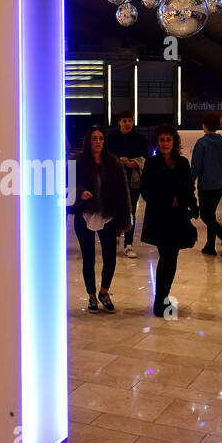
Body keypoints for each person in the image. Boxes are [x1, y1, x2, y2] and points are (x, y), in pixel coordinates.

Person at [140, 123, 198, 318]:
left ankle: (162, 299)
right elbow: (146, 191)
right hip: (159, 218)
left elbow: (189, 188)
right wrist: (168, 200)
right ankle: (161, 301)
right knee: (167, 257)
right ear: (157, 141)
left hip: (177, 218)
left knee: (170, 259)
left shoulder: (182, 163)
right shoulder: (152, 163)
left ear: (174, 142)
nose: (165, 143)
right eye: (162, 139)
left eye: (168, 139)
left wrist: (187, 203)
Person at [72, 124, 131, 313]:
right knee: (88, 258)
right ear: (88, 141)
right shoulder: (78, 162)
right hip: (85, 214)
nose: (97, 142)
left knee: (110, 257)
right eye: (94, 138)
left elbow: (123, 192)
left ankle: (104, 291)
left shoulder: (113, 163)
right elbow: (70, 185)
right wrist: (81, 193)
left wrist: (123, 220)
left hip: (108, 215)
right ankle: (91, 296)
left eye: (100, 138)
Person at [192, 112, 222, 258]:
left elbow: (196, 166)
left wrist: (189, 181)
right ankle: (210, 245)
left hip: (206, 185)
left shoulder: (201, 143)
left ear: (204, 125)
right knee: (210, 215)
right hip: (220, 184)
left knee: (205, 215)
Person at [105, 111, 147, 258]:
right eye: (125, 120)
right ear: (119, 122)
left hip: (133, 181)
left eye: (130, 120)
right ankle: (115, 237)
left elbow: (145, 157)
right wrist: (118, 160)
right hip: (115, 180)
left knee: (131, 212)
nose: (128, 123)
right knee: (115, 210)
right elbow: (106, 156)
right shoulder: (111, 138)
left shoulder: (140, 139)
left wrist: (135, 162)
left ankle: (128, 244)